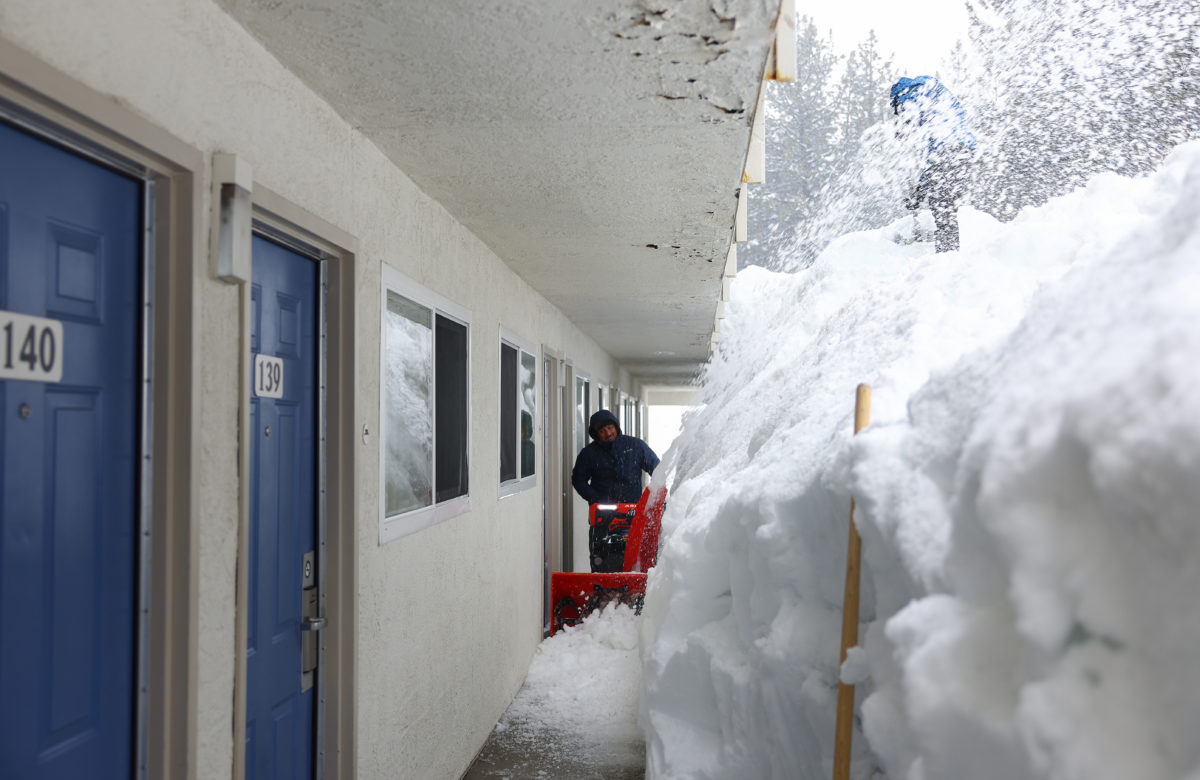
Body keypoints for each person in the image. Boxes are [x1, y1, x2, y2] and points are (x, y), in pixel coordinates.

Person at [890, 75, 977, 253]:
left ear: (899, 98)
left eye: (897, 108)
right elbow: (932, 164)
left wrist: (902, 127)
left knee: (943, 206)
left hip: (948, 153)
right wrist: (920, 193)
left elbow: (934, 161)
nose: (899, 112)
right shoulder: (933, 93)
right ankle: (949, 254)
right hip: (966, 153)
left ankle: (947, 257)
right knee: (945, 204)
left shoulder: (912, 93)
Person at [571, 409, 660, 572]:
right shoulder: (589, 454)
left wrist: (654, 496)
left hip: (633, 514)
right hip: (603, 517)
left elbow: (657, 469)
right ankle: (602, 587)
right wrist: (595, 498)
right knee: (601, 556)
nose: (607, 433)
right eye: (602, 431)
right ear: (595, 434)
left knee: (635, 556)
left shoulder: (635, 446)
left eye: (610, 428)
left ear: (616, 427)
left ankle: (635, 588)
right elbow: (578, 480)